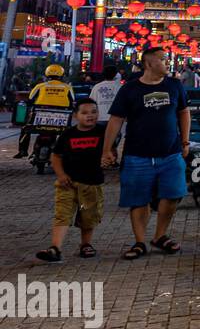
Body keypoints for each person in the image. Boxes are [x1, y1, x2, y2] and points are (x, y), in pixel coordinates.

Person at [102, 45, 190, 260]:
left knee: (173, 195)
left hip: (170, 153)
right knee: (138, 200)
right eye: (163, 59)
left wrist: (185, 140)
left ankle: (160, 235)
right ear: (149, 64)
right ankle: (140, 241)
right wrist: (106, 149)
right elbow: (116, 120)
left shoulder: (174, 85)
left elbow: (184, 112)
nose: (167, 62)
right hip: (137, 155)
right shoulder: (130, 89)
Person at [36, 99, 106, 262]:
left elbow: (110, 149)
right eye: (84, 113)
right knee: (63, 214)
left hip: (92, 183)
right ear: (76, 116)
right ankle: (55, 248)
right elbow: (56, 156)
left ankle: (86, 244)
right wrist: (60, 175)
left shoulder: (103, 132)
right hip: (67, 183)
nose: (90, 116)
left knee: (89, 216)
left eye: (93, 112)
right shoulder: (68, 134)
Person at [16, 63, 75, 158]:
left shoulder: (40, 86)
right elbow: (72, 101)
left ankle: (22, 151)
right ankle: (67, 155)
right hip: (61, 120)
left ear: (47, 74)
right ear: (62, 75)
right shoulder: (67, 87)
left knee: (25, 129)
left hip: (39, 117)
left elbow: (30, 99)